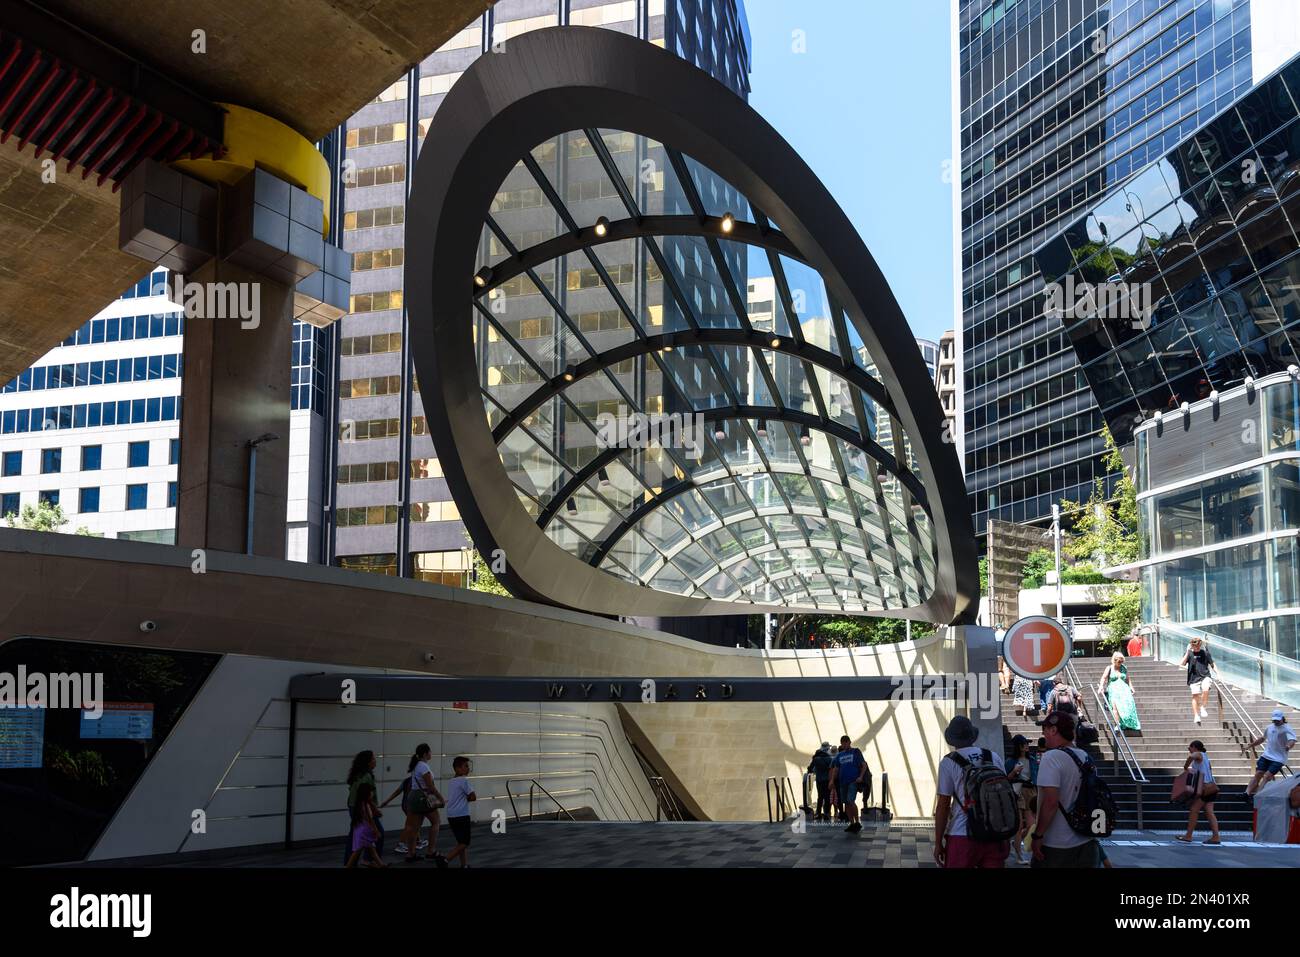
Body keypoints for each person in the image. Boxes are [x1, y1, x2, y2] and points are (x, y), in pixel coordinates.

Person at [933, 715, 1009, 868]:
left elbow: (943, 805)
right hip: (994, 832)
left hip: (962, 834)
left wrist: (938, 842)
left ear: (952, 739)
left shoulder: (949, 762)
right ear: (972, 736)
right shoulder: (993, 757)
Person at [1030, 711, 1102, 868]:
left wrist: (1038, 835)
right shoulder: (1085, 756)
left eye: (1045, 729)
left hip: (1057, 844)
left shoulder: (1051, 757)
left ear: (1054, 730)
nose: (1043, 733)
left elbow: (1050, 802)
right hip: (1087, 841)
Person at [395, 744, 448, 865]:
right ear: (425, 754)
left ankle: (411, 854)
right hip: (422, 798)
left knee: (414, 826)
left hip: (413, 797)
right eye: (430, 752)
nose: (431, 754)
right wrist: (440, 798)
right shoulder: (423, 767)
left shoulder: (416, 766)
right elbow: (430, 786)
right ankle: (431, 851)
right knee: (436, 822)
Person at [1175, 740, 1220, 845]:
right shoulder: (1205, 757)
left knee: (1194, 809)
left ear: (1195, 747)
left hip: (1206, 789)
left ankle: (1188, 835)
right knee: (1209, 812)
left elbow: (1192, 756)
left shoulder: (1199, 754)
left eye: (1190, 747)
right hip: (1212, 788)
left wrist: (1185, 767)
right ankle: (1216, 836)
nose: (1188, 749)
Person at [344, 750, 385, 864]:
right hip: (362, 808)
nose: (375, 761)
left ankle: (351, 862)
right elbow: (366, 797)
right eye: (373, 759)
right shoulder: (366, 776)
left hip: (353, 806)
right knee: (377, 834)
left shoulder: (357, 775)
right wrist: (374, 809)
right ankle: (369, 861)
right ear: (367, 762)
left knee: (356, 836)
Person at [1246, 709, 1297, 798]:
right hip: (1266, 756)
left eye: (1278, 720)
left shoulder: (1287, 728)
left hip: (1278, 759)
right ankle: (1246, 794)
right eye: (1274, 720)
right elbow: (1262, 738)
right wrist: (1250, 745)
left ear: (1282, 718)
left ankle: (1257, 796)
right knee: (1258, 774)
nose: (1276, 721)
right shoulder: (1269, 727)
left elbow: (1292, 740)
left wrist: (1288, 746)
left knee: (1267, 776)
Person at [1005, 734, 1037, 865]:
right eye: (1024, 744)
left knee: (1030, 825)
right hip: (1018, 791)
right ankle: (1019, 855)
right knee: (1019, 826)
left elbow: (1036, 776)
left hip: (1031, 791)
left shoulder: (1032, 759)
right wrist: (1014, 772)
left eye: (1027, 744)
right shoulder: (1010, 761)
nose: (1027, 746)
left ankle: (1016, 843)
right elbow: (1006, 778)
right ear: (1019, 746)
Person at [829, 735, 868, 833]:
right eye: (842, 743)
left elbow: (864, 765)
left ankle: (857, 822)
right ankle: (852, 823)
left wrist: (861, 777)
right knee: (846, 802)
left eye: (846, 742)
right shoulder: (839, 755)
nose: (844, 744)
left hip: (853, 781)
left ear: (849, 742)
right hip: (843, 782)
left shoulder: (856, 752)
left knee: (850, 801)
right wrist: (832, 780)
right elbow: (836, 769)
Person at [443, 756, 477, 868]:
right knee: (465, 842)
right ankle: (445, 860)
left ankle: (464, 865)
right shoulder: (464, 780)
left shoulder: (452, 781)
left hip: (451, 815)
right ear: (457, 768)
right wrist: (466, 798)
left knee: (460, 842)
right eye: (465, 766)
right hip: (462, 815)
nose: (468, 768)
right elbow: (473, 797)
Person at [345, 782, 387, 868]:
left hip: (361, 830)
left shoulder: (362, 803)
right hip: (364, 832)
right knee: (357, 851)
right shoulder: (365, 805)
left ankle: (381, 865)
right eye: (371, 792)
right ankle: (348, 866)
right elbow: (370, 820)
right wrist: (376, 831)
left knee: (371, 849)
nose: (372, 794)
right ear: (366, 793)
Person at [1098, 652, 1141, 732]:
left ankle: (1126, 723)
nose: (1120, 663)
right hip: (1113, 689)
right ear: (1114, 660)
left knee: (1127, 706)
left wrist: (1131, 687)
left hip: (1124, 690)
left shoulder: (1124, 668)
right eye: (1119, 661)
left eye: (1122, 661)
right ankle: (1118, 724)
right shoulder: (1109, 668)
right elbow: (1103, 678)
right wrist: (1101, 686)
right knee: (1115, 706)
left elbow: (1128, 679)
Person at [1179, 636, 1217, 726]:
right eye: (1195, 646)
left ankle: (1203, 707)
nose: (1197, 648)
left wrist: (1218, 674)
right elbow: (1182, 664)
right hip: (1193, 678)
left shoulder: (1205, 653)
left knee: (1206, 689)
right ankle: (1196, 715)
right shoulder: (1189, 653)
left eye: (1198, 646)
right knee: (1195, 696)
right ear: (1191, 646)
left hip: (1205, 676)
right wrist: (1188, 652)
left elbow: (1212, 664)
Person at [808, 743, 834, 822]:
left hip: (819, 780)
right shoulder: (829, 758)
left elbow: (810, 768)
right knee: (827, 797)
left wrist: (814, 771)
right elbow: (832, 768)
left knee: (820, 797)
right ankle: (827, 813)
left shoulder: (815, 758)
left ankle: (818, 813)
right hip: (827, 780)